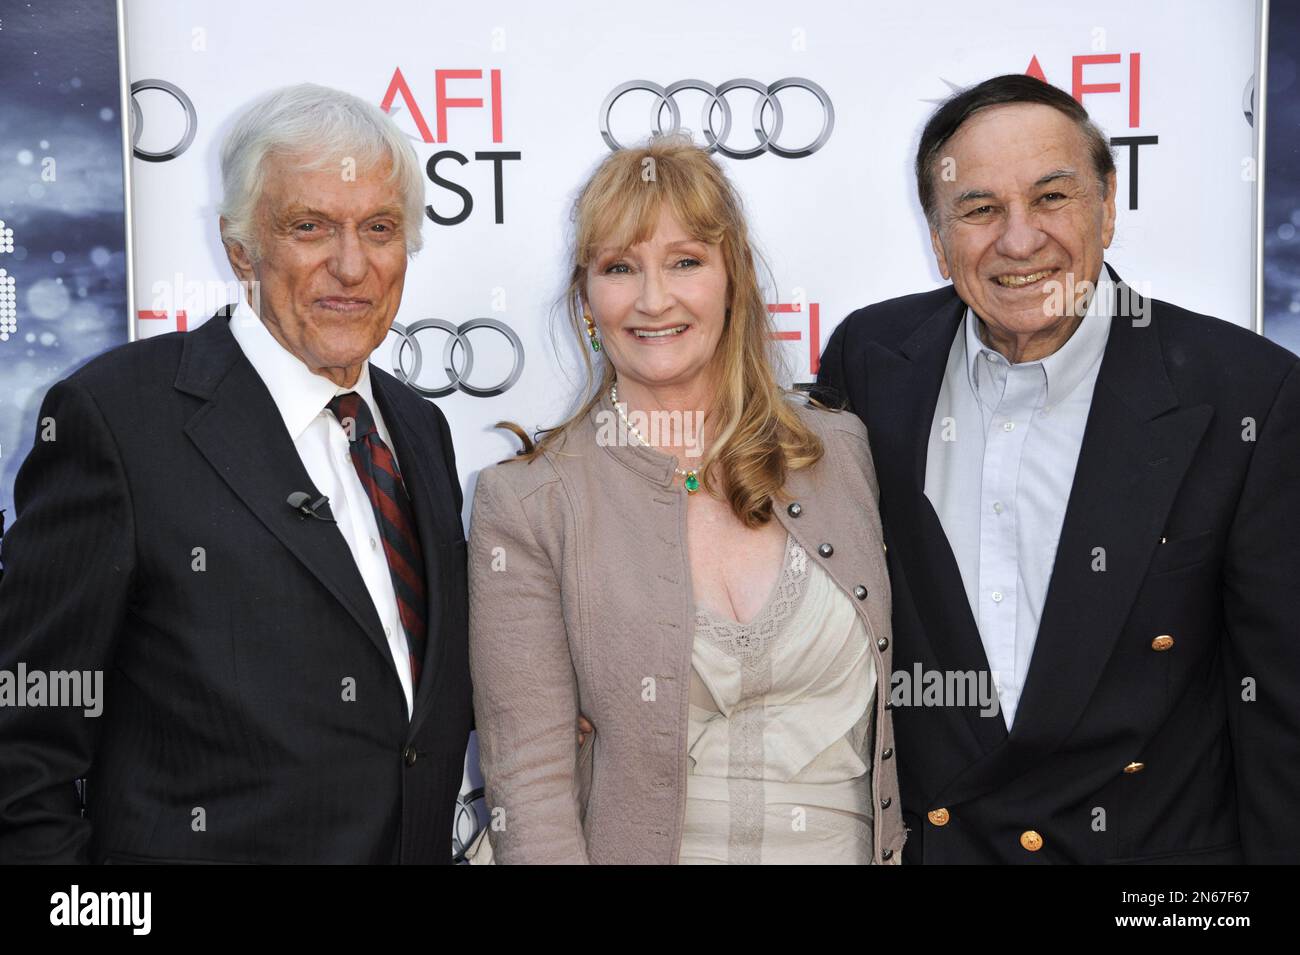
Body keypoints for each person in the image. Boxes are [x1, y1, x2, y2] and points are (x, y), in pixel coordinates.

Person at [815, 73, 1300, 864]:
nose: (1019, 240)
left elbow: (1282, 711)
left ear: (1108, 207)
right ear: (937, 239)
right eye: (978, 209)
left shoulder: (1246, 393)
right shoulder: (871, 362)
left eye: (1051, 198)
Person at [0, 84, 472, 863]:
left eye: (380, 228)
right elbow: (22, 749)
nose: (351, 265)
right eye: (310, 226)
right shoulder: (117, 421)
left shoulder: (420, 429)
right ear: (240, 247)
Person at [468, 135, 904, 865]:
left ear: (730, 278)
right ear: (585, 299)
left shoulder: (838, 454)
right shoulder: (528, 501)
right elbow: (530, 785)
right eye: (619, 268)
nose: (653, 299)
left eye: (685, 261)